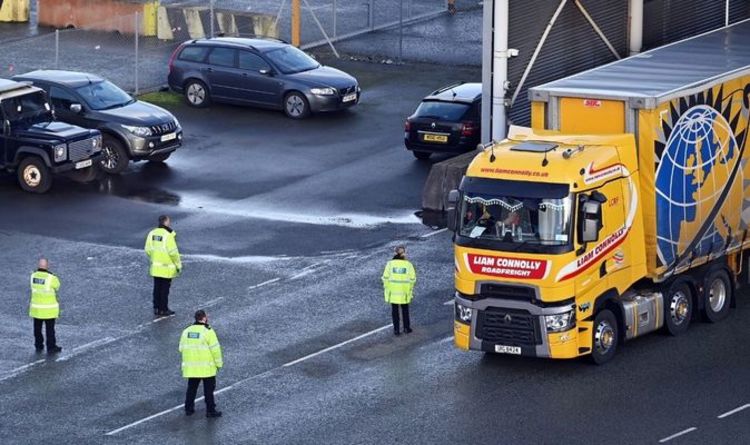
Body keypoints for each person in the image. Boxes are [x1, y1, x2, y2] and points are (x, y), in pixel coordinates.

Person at [179, 310, 223, 418]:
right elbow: (215, 350)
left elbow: (181, 348)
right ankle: (210, 411)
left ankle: (188, 409)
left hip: (192, 368)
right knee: (209, 390)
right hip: (207, 368)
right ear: (204, 318)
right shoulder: (208, 331)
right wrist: (219, 364)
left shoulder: (187, 331)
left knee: (192, 388)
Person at [144, 215, 181, 317]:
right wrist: (178, 265)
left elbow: (147, 249)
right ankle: (163, 309)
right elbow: (173, 253)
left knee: (157, 288)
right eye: (169, 221)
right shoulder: (167, 235)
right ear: (166, 222)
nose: (170, 223)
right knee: (164, 290)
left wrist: (154, 258)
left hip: (155, 267)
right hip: (166, 268)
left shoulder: (152, 233)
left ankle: (156, 308)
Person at [381, 246, 417, 336]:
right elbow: (412, 279)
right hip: (404, 292)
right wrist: (410, 288)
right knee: (405, 310)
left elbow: (385, 278)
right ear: (403, 253)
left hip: (393, 292)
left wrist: (387, 288)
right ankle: (406, 328)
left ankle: (396, 330)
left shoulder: (390, 264)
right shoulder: (408, 265)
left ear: (395, 253)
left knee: (395, 311)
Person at [29, 258, 62, 353]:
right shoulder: (51, 278)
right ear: (47, 266)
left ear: (38, 266)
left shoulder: (33, 276)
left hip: (36, 309)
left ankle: (38, 345)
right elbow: (57, 286)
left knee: (37, 329)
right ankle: (51, 347)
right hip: (48, 310)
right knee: (50, 330)